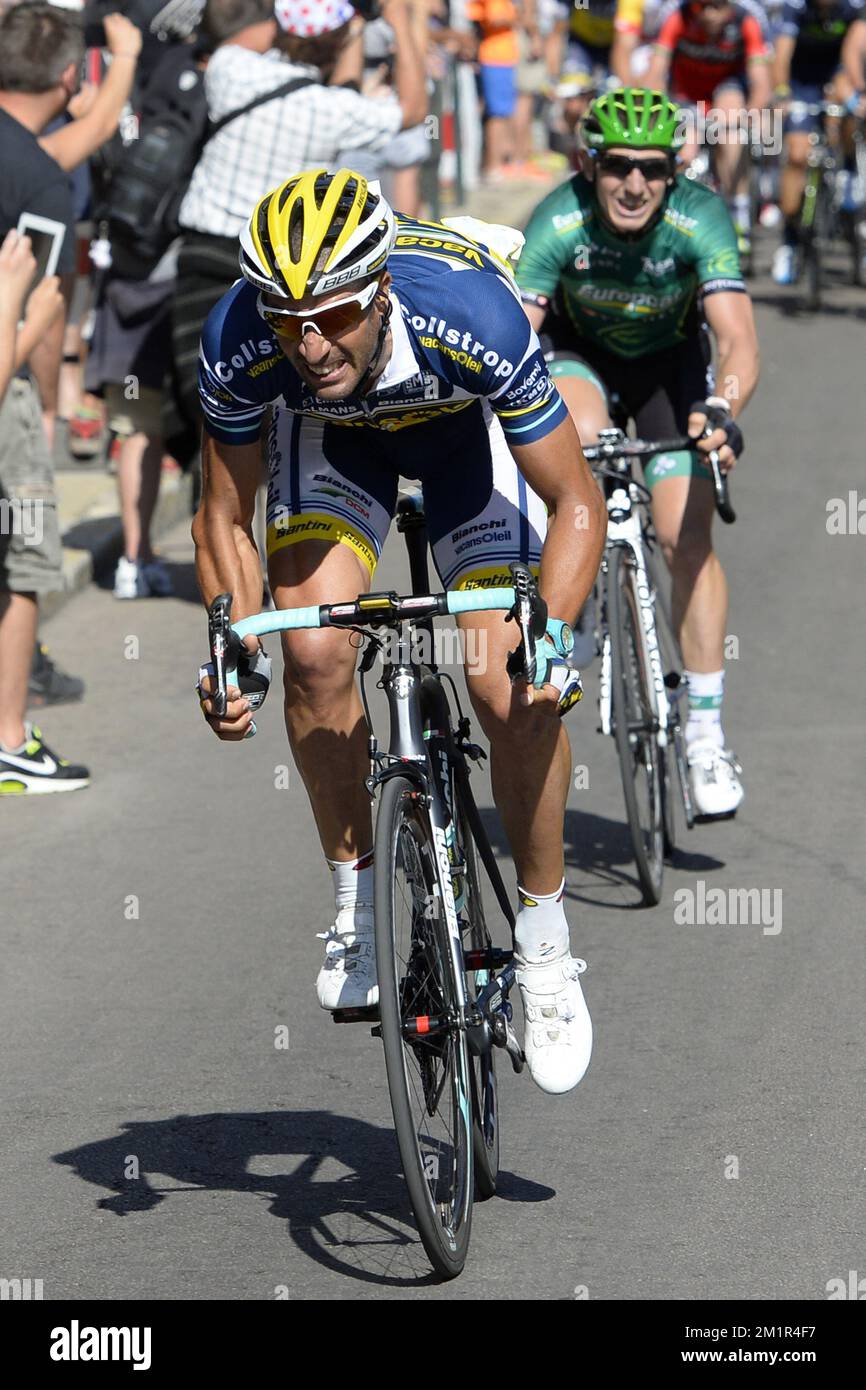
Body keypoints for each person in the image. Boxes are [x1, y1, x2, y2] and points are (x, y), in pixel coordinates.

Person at [193, 167, 606, 1094]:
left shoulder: (472, 316)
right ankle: (358, 904)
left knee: (509, 690)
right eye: (285, 316)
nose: (309, 342)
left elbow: (576, 499)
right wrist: (233, 646)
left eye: (334, 315)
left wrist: (556, 632)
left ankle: (544, 944)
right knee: (312, 649)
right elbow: (221, 515)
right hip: (335, 447)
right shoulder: (240, 339)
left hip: (465, 443)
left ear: (380, 293)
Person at [516, 88, 759, 818]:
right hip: (578, 356)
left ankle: (706, 733)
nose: (634, 185)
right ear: (589, 162)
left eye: (653, 170)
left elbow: (739, 338)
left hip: (668, 370)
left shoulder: (699, 216)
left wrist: (723, 408)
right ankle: (584, 587)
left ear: (675, 170)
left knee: (685, 534)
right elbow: (518, 333)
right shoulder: (560, 217)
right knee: (582, 439)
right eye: (617, 165)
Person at [171, 0, 427, 446]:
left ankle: (217, 502)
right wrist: (396, 24)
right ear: (337, 46)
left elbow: (246, 36)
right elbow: (412, 110)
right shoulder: (334, 112)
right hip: (287, 266)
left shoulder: (231, 69)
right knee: (281, 404)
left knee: (217, 406)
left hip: (203, 251)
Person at [0, 1, 92, 791]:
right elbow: (46, 306)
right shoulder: (40, 176)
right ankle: (9, 737)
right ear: (68, 76)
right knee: (24, 559)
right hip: (5, 391)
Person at [646, 1, 772, 256]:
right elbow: (656, 73)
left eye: (717, 6)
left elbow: (761, 81)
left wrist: (752, 113)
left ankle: (738, 214)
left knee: (732, 132)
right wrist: (656, 110)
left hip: (726, 90)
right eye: (702, 6)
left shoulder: (746, 20)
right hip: (686, 93)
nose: (709, 14)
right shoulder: (677, 17)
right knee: (686, 151)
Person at [771, 0, 865, 284]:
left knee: (850, 107)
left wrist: (857, 92)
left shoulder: (853, 6)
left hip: (837, 77)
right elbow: (781, 56)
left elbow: (853, 49)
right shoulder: (796, 6)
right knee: (798, 155)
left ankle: (848, 166)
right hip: (801, 82)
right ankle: (789, 240)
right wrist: (782, 93)